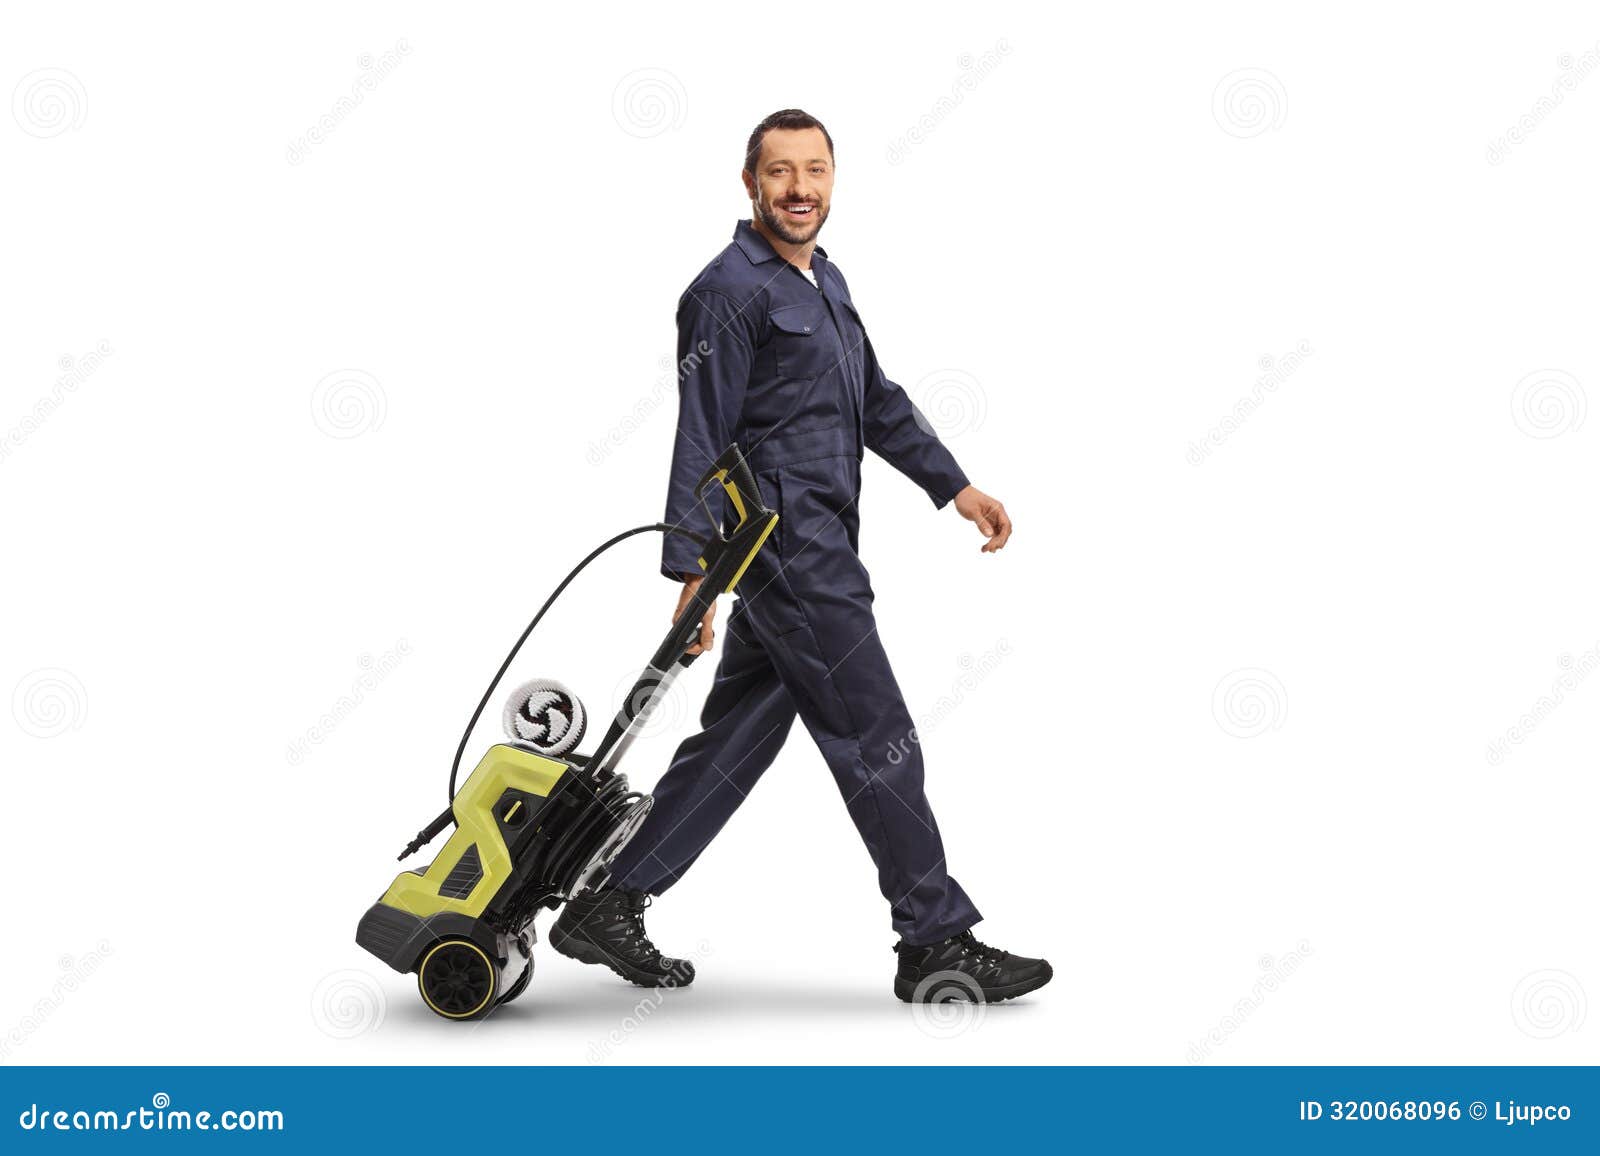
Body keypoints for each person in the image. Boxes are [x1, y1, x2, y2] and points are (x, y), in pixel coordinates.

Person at [551, 109, 1051, 1003]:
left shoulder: (824, 280)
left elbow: (876, 399)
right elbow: (700, 435)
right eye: (779, 171)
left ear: (833, 181)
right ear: (749, 185)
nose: (799, 188)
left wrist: (955, 486)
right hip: (787, 549)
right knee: (877, 735)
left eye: (815, 170)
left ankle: (612, 897)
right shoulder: (726, 292)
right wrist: (693, 574)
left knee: (737, 734)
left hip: (817, 536)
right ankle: (934, 937)